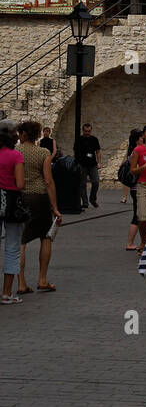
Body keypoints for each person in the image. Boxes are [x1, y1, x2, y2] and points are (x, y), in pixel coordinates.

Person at [16, 121, 62, 294]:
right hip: (40, 197)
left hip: (21, 198)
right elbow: (48, 181)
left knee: (21, 241)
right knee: (45, 237)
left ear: (24, 134)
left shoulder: (15, 152)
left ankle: (21, 282)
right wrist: (55, 207)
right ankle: (42, 279)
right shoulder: (43, 152)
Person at [0, 128, 27, 304]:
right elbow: (20, 183)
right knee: (12, 247)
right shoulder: (16, 156)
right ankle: (7, 293)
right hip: (11, 202)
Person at [73, 122, 101, 210]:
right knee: (82, 184)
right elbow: (75, 152)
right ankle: (85, 202)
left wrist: (99, 162)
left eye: (89, 131)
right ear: (83, 130)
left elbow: (98, 152)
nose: (87, 133)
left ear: (91, 130)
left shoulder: (94, 139)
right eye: (85, 131)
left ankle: (92, 199)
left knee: (96, 182)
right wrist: (77, 162)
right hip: (82, 164)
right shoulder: (79, 139)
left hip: (92, 164)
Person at [124, 128, 143, 250]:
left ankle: (135, 242)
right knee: (138, 215)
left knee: (138, 215)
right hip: (137, 187)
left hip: (137, 187)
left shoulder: (133, 151)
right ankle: (130, 243)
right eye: (142, 137)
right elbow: (135, 169)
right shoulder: (135, 152)